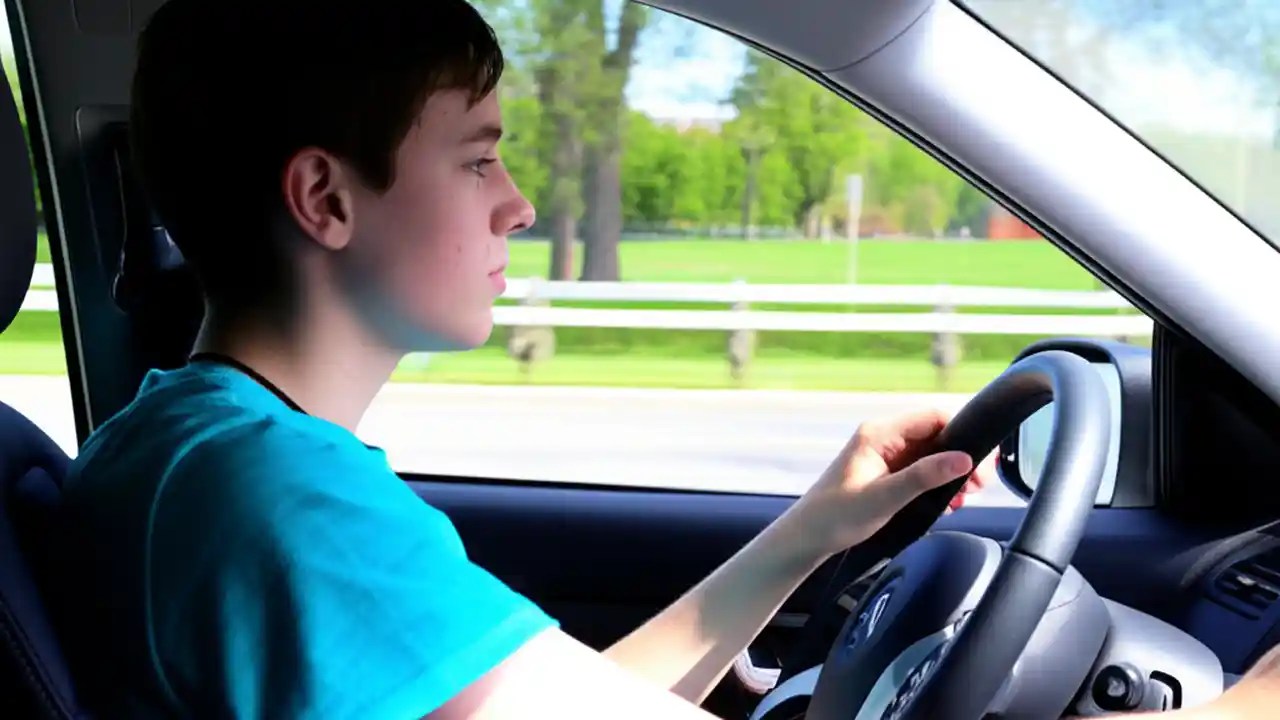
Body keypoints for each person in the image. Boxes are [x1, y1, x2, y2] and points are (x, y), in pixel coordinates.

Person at [46, 0, 1277, 717]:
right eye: (476, 157)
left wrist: (811, 533)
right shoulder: (282, 511)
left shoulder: (190, 447)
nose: (519, 204)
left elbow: (569, 701)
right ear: (325, 197)